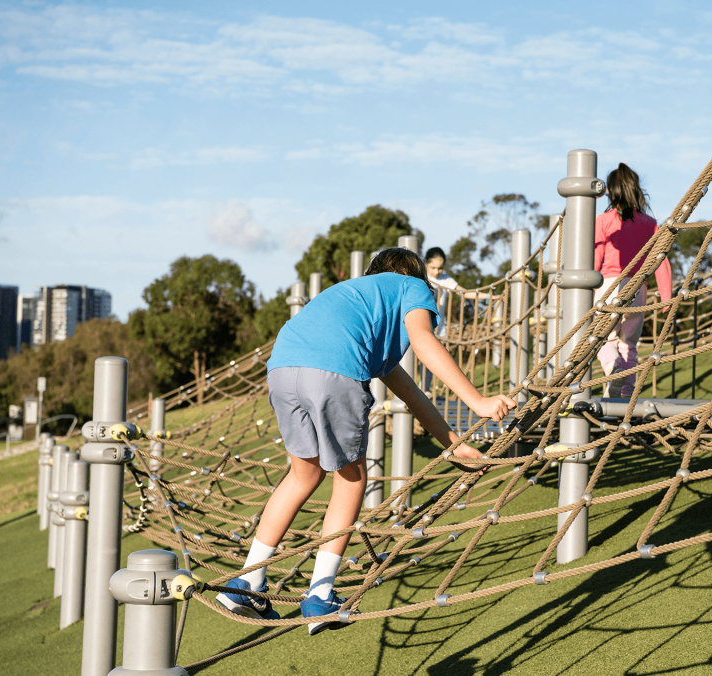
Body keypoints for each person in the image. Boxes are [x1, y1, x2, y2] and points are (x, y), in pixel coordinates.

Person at [216, 248, 515, 634]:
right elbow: (424, 342)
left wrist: (452, 443)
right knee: (351, 478)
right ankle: (320, 594)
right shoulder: (410, 285)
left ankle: (247, 581)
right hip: (333, 370)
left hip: (282, 367)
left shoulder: (357, 303)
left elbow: (410, 392)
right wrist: (478, 401)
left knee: (303, 475)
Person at [595, 163, 673, 398]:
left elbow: (596, 258)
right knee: (628, 344)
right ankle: (626, 391)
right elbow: (660, 260)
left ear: (610, 191)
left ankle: (613, 368)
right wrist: (666, 296)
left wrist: (586, 289)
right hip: (637, 289)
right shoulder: (649, 223)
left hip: (608, 286)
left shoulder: (603, 221)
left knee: (602, 339)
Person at [422, 247, 488, 393]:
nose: (436, 272)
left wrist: (489, 296)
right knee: (421, 357)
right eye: (433, 268)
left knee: (437, 359)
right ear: (426, 264)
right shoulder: (420, 277)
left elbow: (464, 293)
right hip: (421, 325)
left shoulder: (445, 280)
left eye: (440, 268)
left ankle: (427, 389)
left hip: (438, 327)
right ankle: (420, 390)